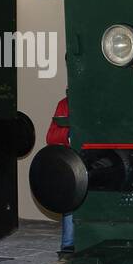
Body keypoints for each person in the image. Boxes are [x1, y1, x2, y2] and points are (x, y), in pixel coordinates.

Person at [47, 93, 74, 254]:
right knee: (72, 198)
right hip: (73, 159)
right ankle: (68, 245)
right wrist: (69, 133)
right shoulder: (65, 104)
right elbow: (51, 137)